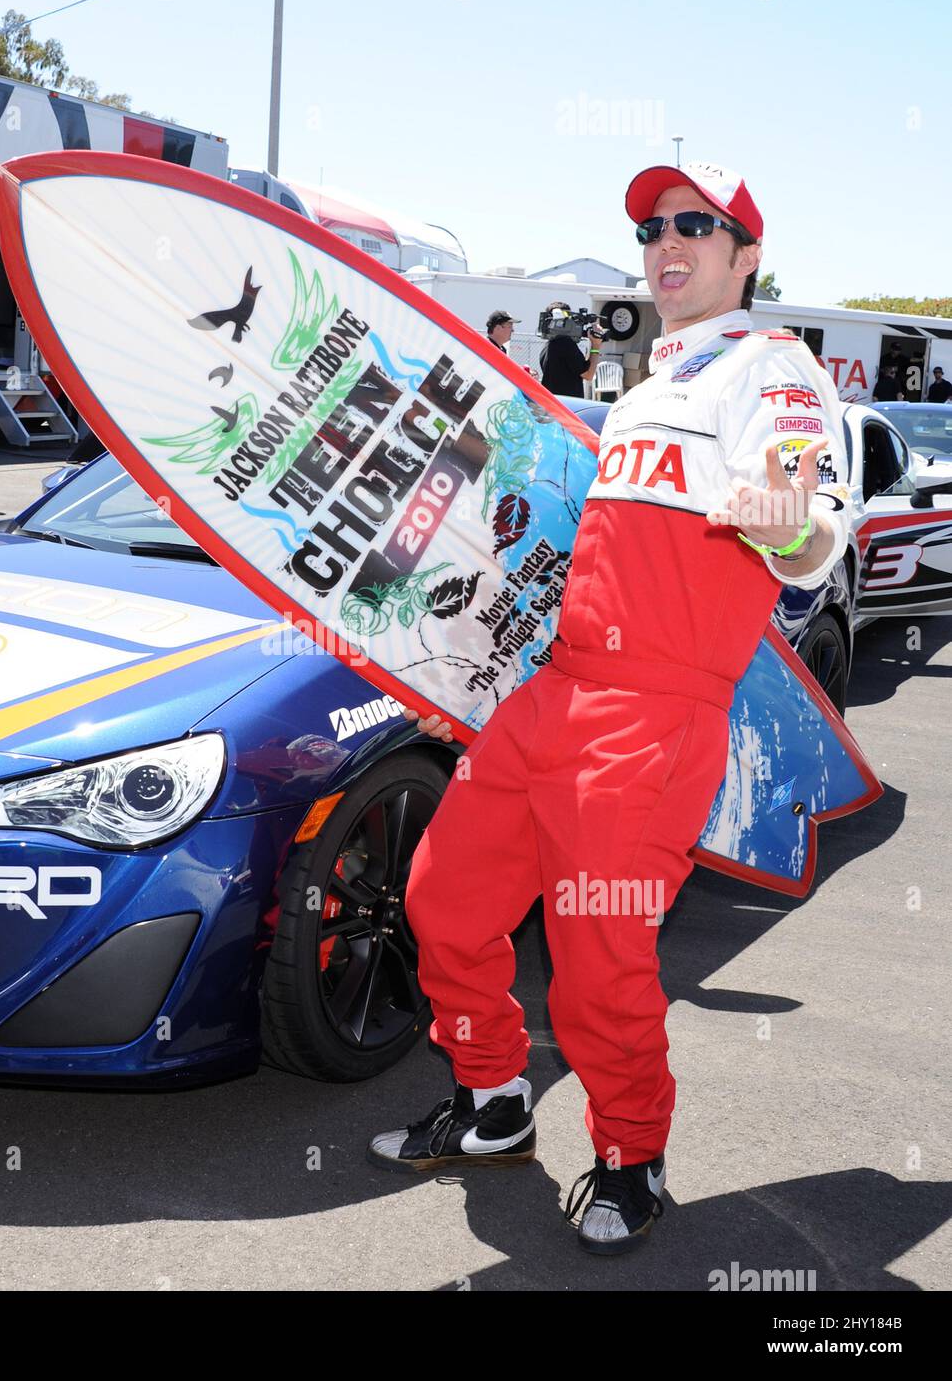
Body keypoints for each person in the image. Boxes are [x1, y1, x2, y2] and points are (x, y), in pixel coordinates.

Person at [367, 161, 851, 1256]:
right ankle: (493, 1104)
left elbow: (807, 516)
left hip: (654, 717)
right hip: (555, 695)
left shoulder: (770, 368)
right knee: (441, 901)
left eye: (694, 224)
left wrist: (788, 526)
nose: (664, 240)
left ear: (742, 256)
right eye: (648, 227)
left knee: (597, 956)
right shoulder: (642, 385)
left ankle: (632, 1154)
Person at [540, 301, 602, 397]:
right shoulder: (566, 345)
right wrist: (596, 345)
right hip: (568, 405)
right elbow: (588, 375)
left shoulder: (547, 346)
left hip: (553, 402)